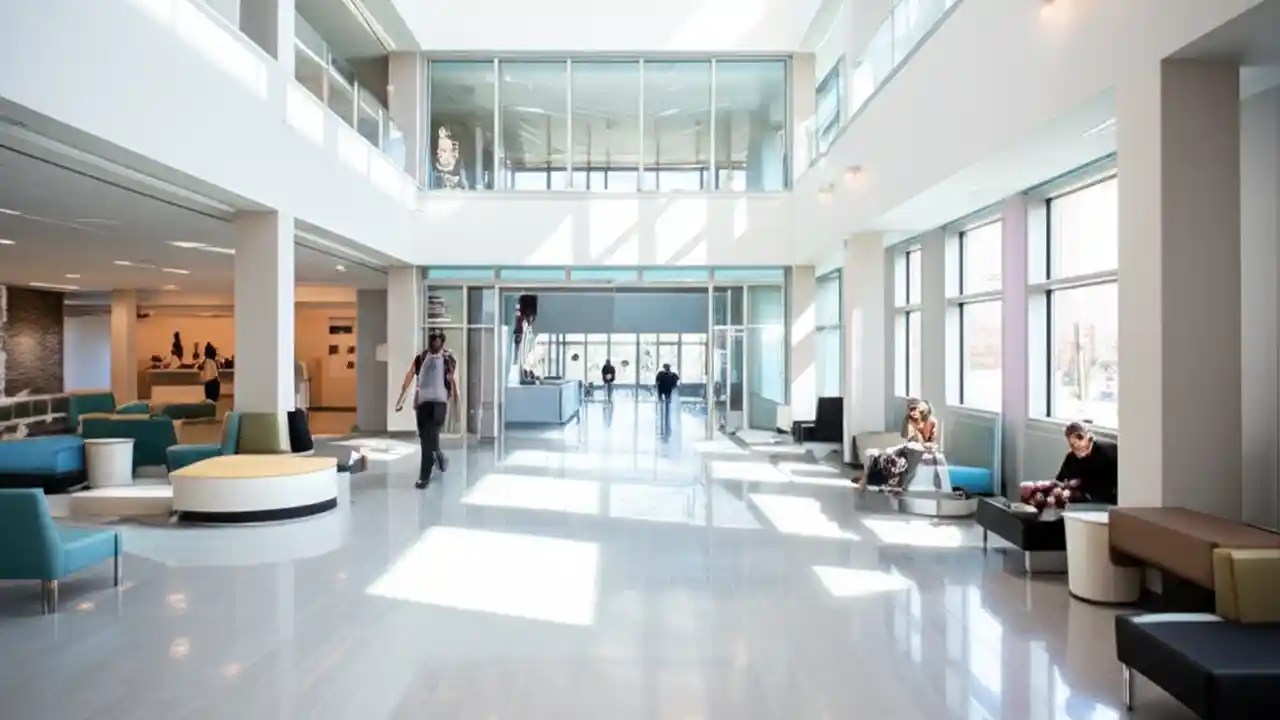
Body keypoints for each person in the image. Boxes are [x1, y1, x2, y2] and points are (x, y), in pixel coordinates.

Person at [395, 330, 458, 489]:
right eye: (432, 339)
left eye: (437, 340)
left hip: (439, 403)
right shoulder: (421, 358)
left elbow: (453, 379)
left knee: (428, 438)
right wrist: (401, 397)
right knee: (427, 438)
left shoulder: (448, 359)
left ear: (442, 342)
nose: (434, 342)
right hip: (422, 403)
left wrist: (456, 402)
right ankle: (439, 457)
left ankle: (424, 475)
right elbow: (410, 375)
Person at [1054, 420, 1118, 504]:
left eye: (1080, 438)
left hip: (1108, 501)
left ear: (1089, 437)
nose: (1077, 446)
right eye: (1072, 445)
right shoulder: (1071, 457)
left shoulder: (1109, 452)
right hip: (1082, 501)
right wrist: (1060, 490)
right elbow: (1060, 480)